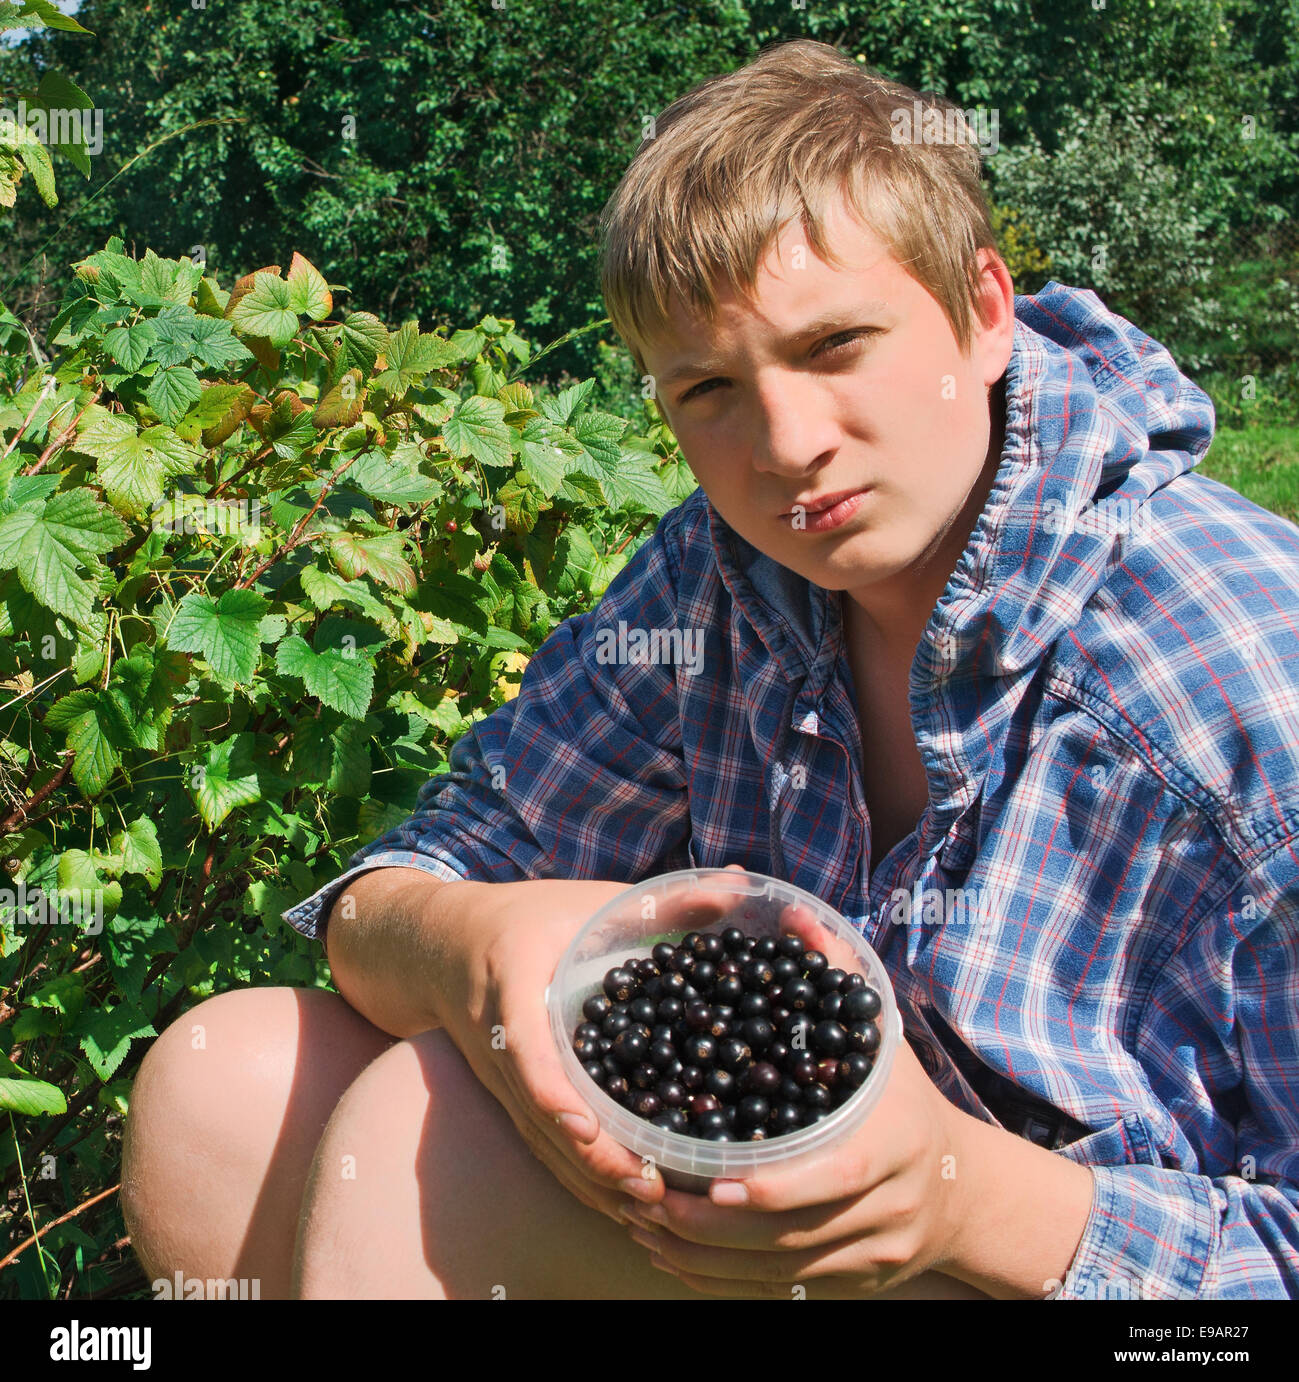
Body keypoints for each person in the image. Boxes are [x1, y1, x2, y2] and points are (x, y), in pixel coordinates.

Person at [120, 39, 1299, 1300]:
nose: (788, 447)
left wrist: (965, 1197)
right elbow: (408, 887)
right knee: (227, 1088)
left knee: (434, 1135)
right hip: (763, 1242)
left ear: (987, 307)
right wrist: (472, 937)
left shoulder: (1243, 687)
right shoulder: (722, 586)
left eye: (838, 343)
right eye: (710, 389)